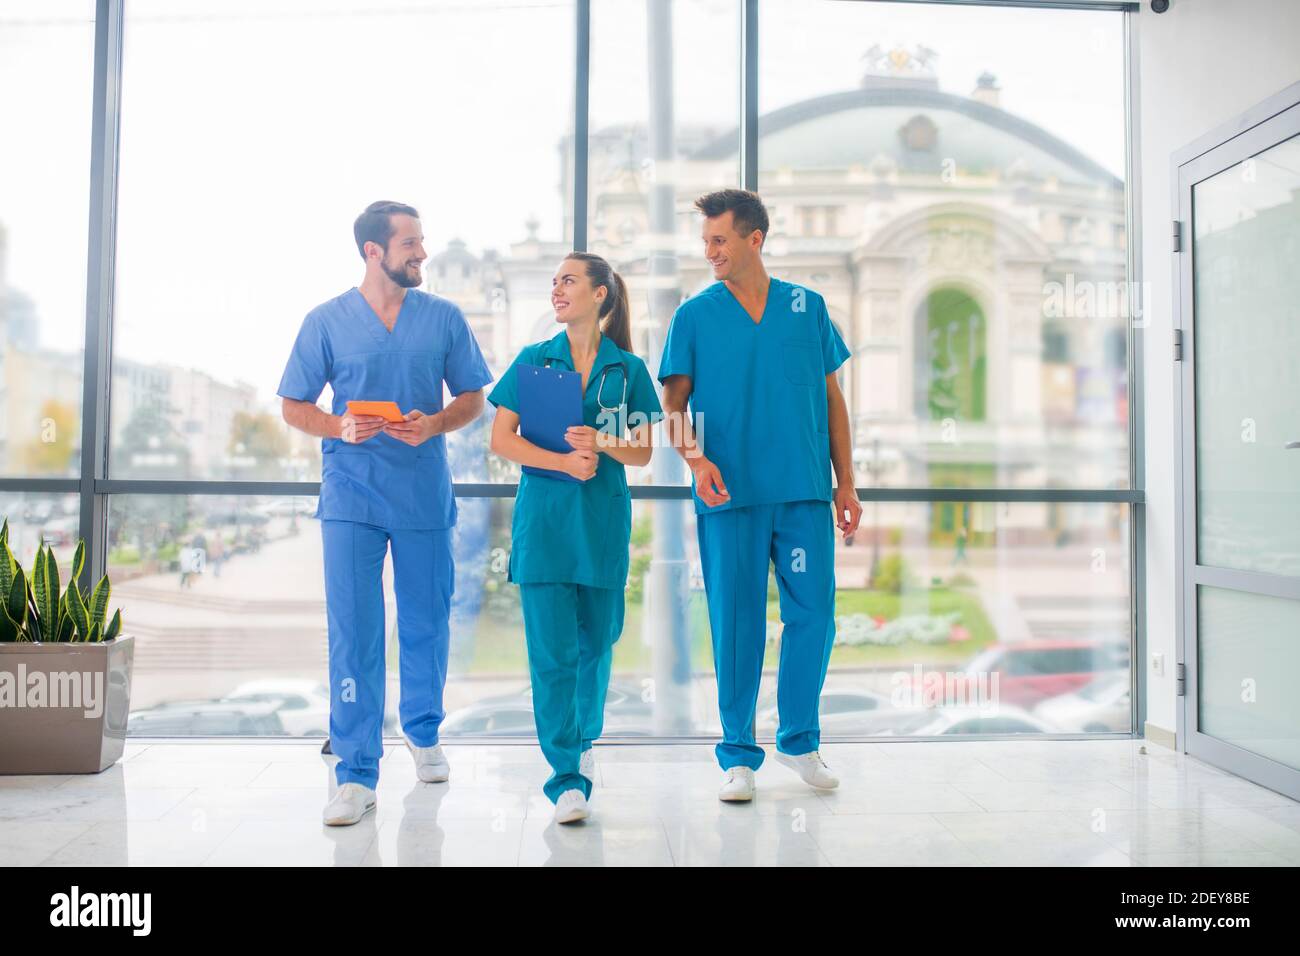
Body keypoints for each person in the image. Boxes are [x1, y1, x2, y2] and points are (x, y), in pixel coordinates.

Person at [278, 200, 492, 826]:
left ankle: (423, 733)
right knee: (355, 633)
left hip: (423, 491)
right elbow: (294, 404)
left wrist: (437, 422)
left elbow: (473, 397)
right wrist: (338, 425)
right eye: (410, 244)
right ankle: (354, 773)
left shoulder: (444, 319)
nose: (421, 253)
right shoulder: (326, 322)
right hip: (351, 496)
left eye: (421, 243)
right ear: (374, 250)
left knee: (427, 622)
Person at [659, 189, 861, 802]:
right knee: (736, 621)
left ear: (755, 239)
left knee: (813, 618)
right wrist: (696, 461)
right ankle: (738, 755)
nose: (710, 251)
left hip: (802, 491)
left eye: (720, 240)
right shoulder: (693, 316)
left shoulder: (808, 307)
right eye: (705, 242)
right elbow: (670, 407)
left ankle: (799, 740)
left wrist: (845, 481)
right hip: (729, 495)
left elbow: (831, 400)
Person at [487, 252, 661, 824]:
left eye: (568, 281)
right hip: (544, 527)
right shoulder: (535, 362)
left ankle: (582, 738)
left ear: (600, 295)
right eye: (554, 282)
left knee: (600, 640)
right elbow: (503, 440)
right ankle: (565, 774)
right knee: (552, 655)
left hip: (601, 526)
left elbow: (641, 452)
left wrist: (600, 440)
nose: (557, 290)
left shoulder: (627, 369)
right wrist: (562, 464)